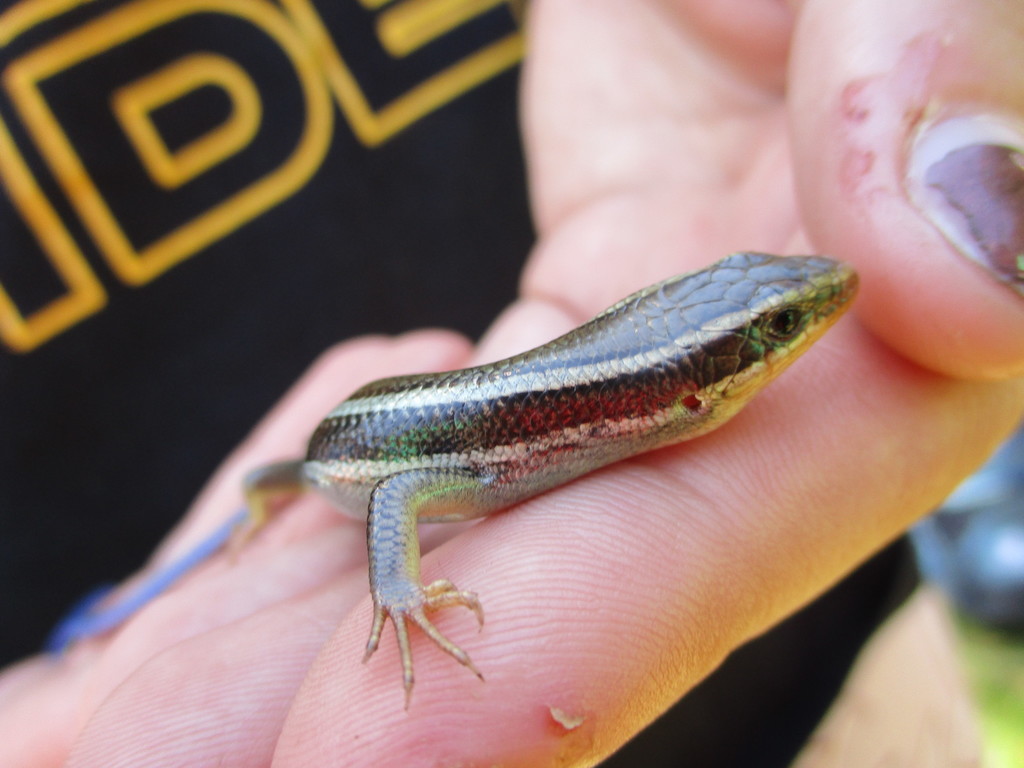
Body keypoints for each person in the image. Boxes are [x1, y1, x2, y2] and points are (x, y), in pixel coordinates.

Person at [1, 0, 1022, 765]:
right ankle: (228, 528)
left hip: (847, 675)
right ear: (695, 385)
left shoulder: (627, 407)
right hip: (354, 453)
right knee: (277, 492)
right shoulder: (523, 437)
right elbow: (396, 487)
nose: (815, 312)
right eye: (779, 329)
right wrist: (397, 590)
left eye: (780, 321)